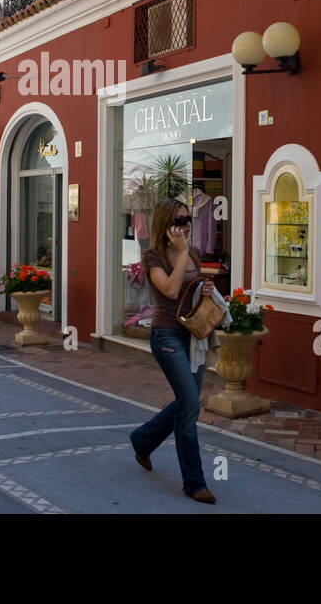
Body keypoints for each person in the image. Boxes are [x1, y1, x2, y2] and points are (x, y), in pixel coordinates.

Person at [128, 199, 217, 504]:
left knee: (186, 401)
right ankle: (194, 481)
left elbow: (189, 290)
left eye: (187, 219)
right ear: (165, 225)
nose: (185, 225)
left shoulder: (192, 253)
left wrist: (203, 288)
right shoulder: (152, 256)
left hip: (192, 334)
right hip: (166, 335)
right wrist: (180, 255)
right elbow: (169, 289)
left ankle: (143, 439)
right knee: (191, 405)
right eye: (179, 221)